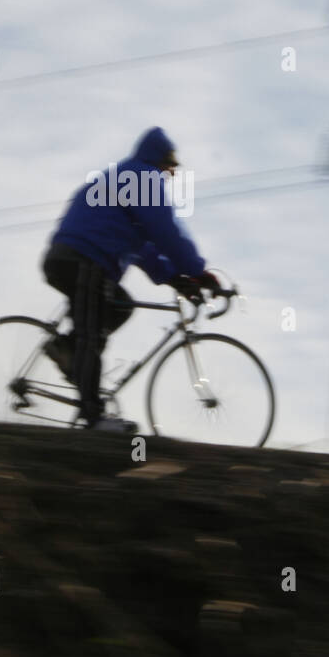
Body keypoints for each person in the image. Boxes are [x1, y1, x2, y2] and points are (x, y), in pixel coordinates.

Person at [41, 127, 221, 430]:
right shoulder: (141, 178)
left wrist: (177, 279)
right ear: (159, 161)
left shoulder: (127, 177)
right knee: (91, 334)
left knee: (120, 306)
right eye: (170, 168)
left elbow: (143, 248)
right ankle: (94, 417)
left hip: (74, 258)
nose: (171, 175)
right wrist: (197, 270)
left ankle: (67, 352)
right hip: (83, 259)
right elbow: (166, 232)